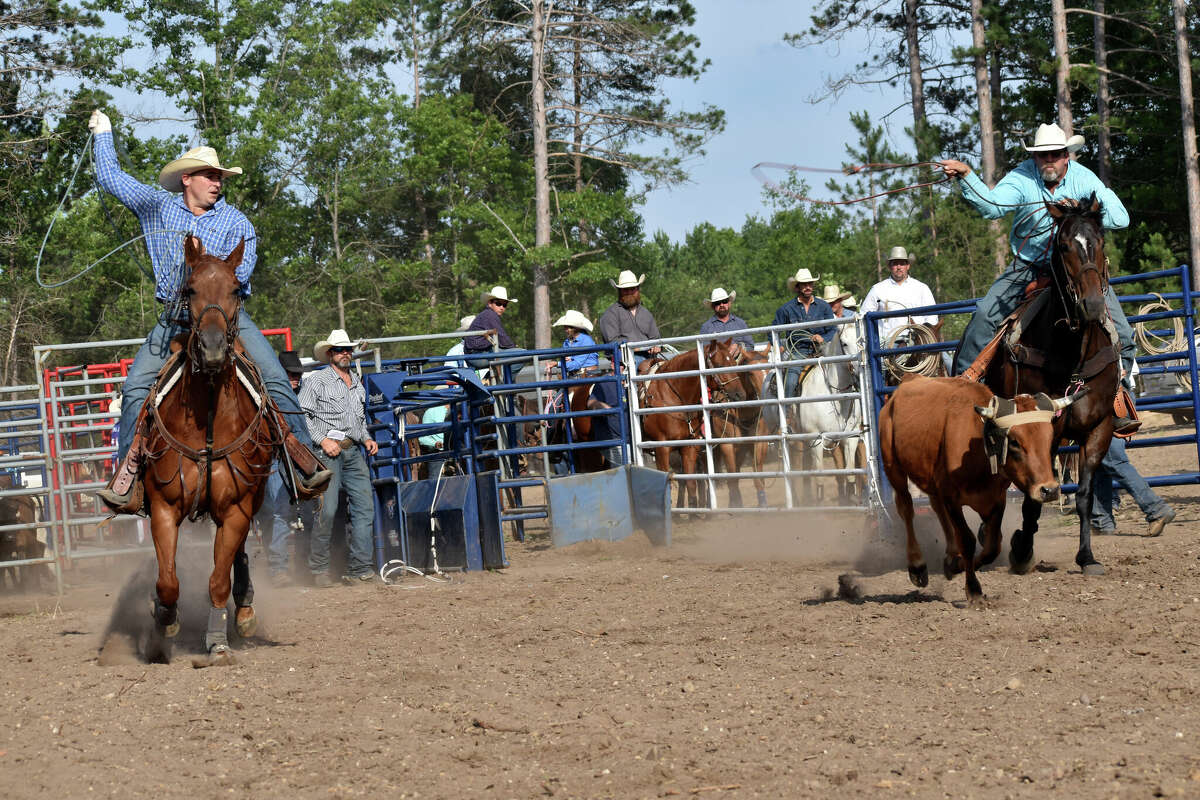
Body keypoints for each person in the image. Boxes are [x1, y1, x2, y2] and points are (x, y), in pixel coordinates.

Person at [88, 109, 330, 513]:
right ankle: (128, 476)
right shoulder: (158, 207)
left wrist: (207, 276)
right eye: (211, 176)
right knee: (134, 391)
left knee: (275, 379)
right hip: (175, 317)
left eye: (220, 177)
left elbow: (242, 273)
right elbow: (112, 179)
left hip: (225, 318)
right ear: (187, 179)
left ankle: (301, 462)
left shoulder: (239, 223)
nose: (218, 183)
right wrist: (104, 135)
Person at [940, 122, 1138, 433]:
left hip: (1077, 270)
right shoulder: (1021, 177)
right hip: (1028, 266)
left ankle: (1120, 395)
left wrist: (1083, 209)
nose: (1048, 160)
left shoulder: (1085, 179)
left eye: (1055, 154)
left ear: (1066, 156)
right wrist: (967, 175)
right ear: (1035, 157)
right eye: (1042, 155)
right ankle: (963, 389)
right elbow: (993, 206)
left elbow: (1120, 217)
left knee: (1122, 332)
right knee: (984, 315)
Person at [299, 330, 380, 587]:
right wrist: (323, 440)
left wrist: (366, 437)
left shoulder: (356, 381)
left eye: (348, 349)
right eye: (340, 349)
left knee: (365, 508)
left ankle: (361, 567)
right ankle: (320, 567)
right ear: (330, 353)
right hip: (326, 453)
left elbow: (358, 419)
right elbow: (302, 416)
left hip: (353, 450)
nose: (346, 353)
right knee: (328, 509)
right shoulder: (316, 380)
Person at [254, 350, 310, 586]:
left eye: (297, 374)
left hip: (299, 458)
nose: (295, 378)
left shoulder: (304, 394)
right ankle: (278, 567)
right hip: (277, 459)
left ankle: (299, 565)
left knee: (288, 513)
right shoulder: (268, 396)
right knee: (276, 513)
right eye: (290, 374)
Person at [1090, 435, 1176, 537]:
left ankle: (1157, 509)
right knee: (1099, 468)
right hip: (1105, 426)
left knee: (1115, 463)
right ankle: (1101, 523)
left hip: (1100, 426)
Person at [772, 267, 835, 397]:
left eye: (810, 284)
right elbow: (773, 331)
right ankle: (788, 410)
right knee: (791, 380)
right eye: (804, 284)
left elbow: (833, 329)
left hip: (823, 349)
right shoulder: (786, 309)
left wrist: (823, 338)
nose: (808, 287)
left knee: (845, 371)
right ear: (797, 287)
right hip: (798, 350)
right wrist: (779, 347)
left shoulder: (824, 307)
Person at [859, 247, 938, 343]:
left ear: (908, 266)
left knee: (945, 356)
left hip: (919, 342)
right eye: (895, 263)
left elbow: (932, 318)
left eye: (902, 263)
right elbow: (864, 317)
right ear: (889, 266)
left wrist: (925, 337)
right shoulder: (877, 290)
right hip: (889, 343)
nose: (899, 267)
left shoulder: (922, 288)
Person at [598, 270, 661, 364]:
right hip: (626, 359)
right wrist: (636, 347)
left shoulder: (646, 313)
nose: (629, 292)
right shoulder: (610, 314)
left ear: (638, 289)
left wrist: (656, 346)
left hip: (650, 357)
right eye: (626, 290)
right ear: (619, 291)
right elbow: (612, 341)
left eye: (632, 289)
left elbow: (656, 338)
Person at [546, 310, 599, 376]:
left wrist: (557, 363)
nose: (565, 330)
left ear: (575, 328)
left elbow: (577, 364)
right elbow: (568, 361)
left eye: (567, 327)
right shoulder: (566, 342)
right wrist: (567, 360)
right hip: (575, 375)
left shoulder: (586, 340)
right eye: (565, 327)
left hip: (589, 375)